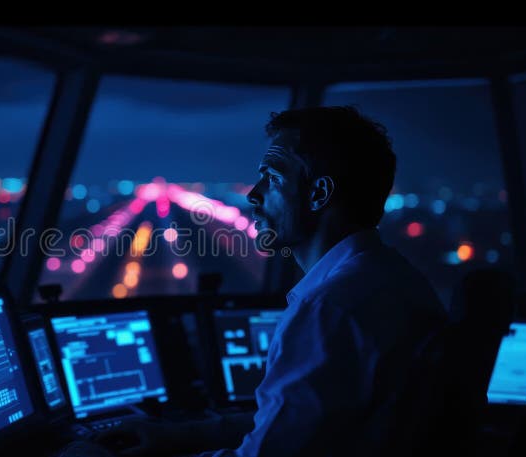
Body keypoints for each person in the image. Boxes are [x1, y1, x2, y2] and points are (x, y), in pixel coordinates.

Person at [93, 106, 450, 456]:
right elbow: (289, 423)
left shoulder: (328, 309)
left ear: (318, 194)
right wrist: (181, 436)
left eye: (273, 177)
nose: (253, 194)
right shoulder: (393, 278)